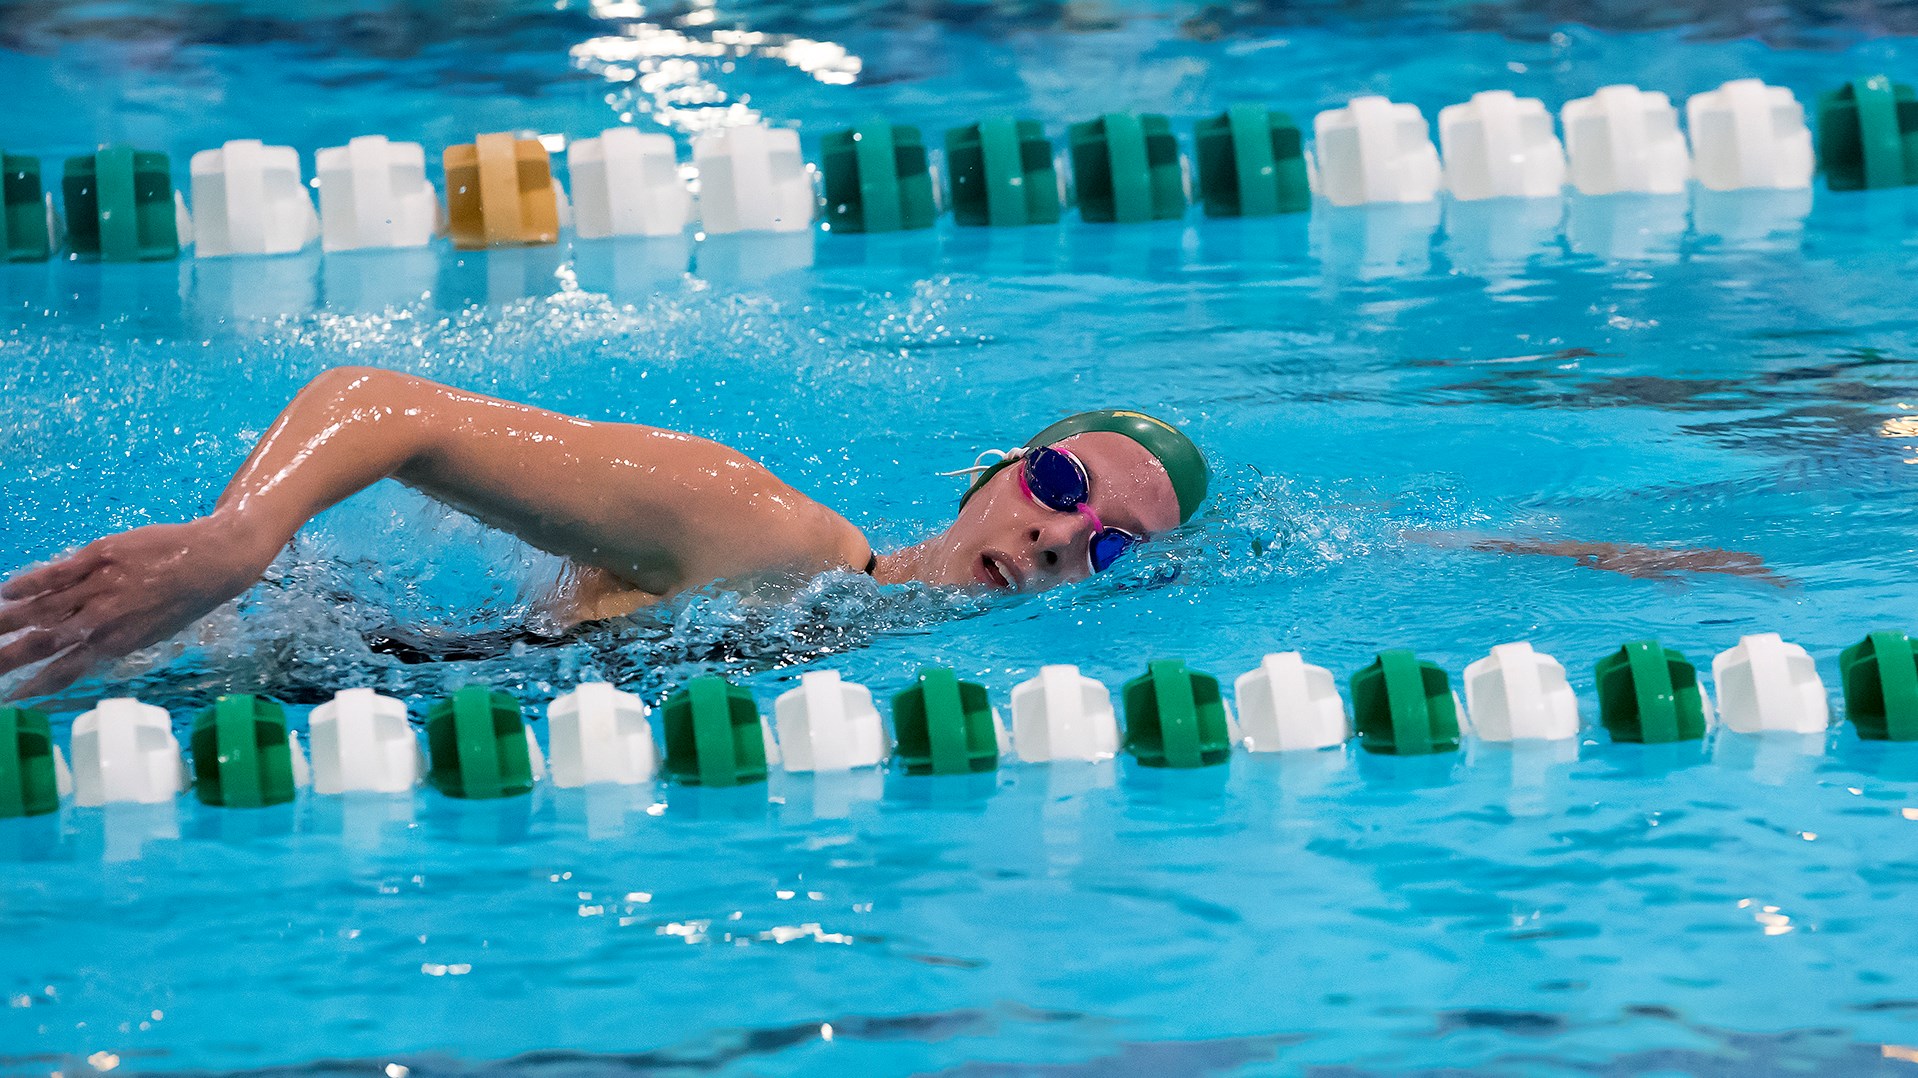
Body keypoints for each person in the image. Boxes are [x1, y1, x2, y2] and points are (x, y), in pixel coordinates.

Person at [0, 367, 1207, 699]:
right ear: (995, 472)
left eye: (1106, 545)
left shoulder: (898, 650)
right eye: (1060, 481)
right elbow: (387, 405)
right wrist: (234, 541)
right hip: (255, 683)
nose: (1060, 534)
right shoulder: (766, 532)